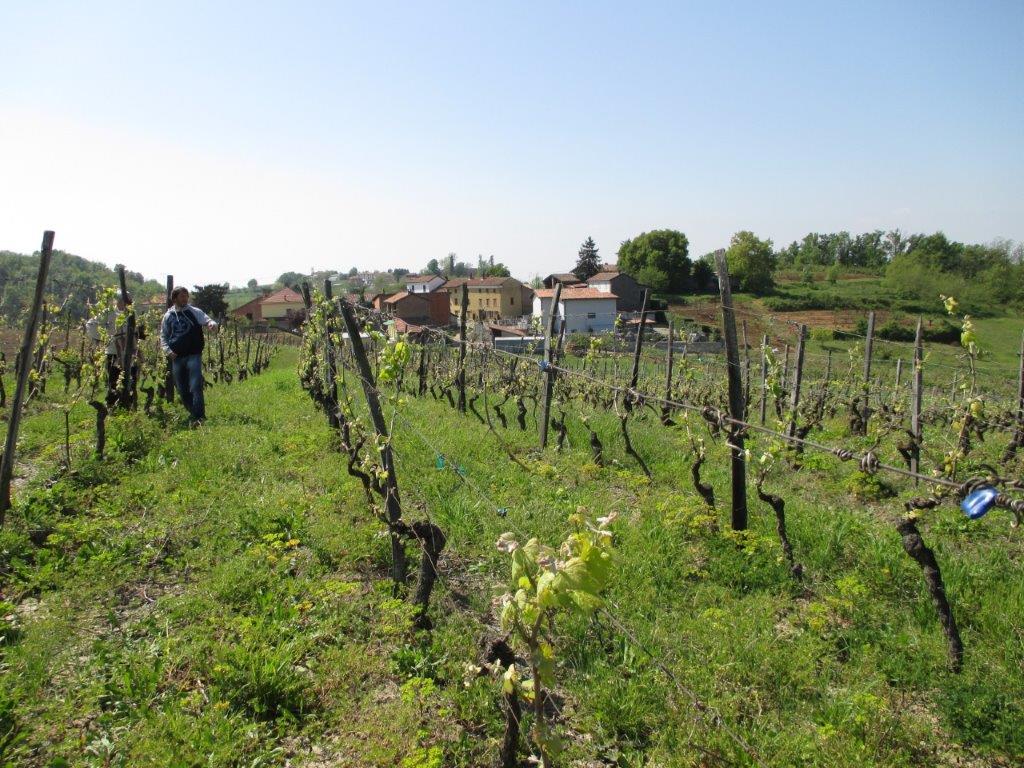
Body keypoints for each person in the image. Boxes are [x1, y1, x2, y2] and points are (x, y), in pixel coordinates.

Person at [160, 287, 218, 424]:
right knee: (182, 389)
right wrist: (168, 351)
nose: (185, 299)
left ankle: (199, 417)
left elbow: (207, 320)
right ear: (174, 299)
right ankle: (194, 413)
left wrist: (212, 324)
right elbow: (163, 336)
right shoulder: (168, 316)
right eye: (182, 296)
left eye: (186, 296)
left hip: (193, 355)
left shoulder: (194, 311)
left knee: (195, 385)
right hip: (177, 357)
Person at [85, 296, 144, 407]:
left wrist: (138, 349)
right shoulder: (108, 312)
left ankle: (128, 406)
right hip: (113, 352)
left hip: (131, 353)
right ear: (117, 301)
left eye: (128, 301)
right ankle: (111, 406)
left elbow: (139, 334)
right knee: (113, 380)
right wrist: (105, 337)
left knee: (131, 380)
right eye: (122, 300)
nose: (125, 303)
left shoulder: (133, 314)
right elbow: (91, 324)